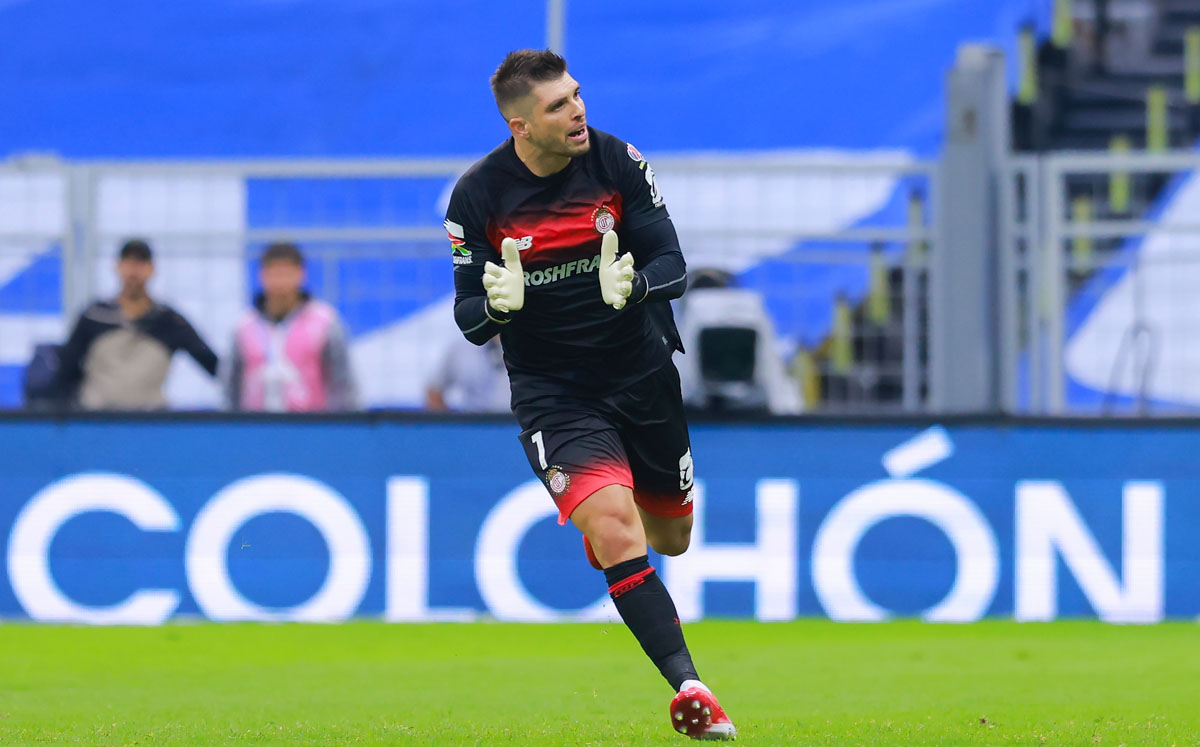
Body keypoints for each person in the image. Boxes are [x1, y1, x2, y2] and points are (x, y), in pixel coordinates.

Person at [446, 49, 736, 740]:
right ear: (521, 125)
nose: (576, 110)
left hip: (641, 377)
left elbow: (673, 262)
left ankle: (610, 521)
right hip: (556, 394)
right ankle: (693, 688)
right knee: (616, 529)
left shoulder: (617, 163)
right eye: (557, 105)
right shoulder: (478, 197)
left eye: (576, 95)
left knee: (672, 535)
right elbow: (466, 315)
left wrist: (634, 286)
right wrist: (497, 309)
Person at [55, 238, 218, 410]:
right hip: (98, 420)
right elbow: (66, 367)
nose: (133, 271)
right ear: (117, 267)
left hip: (149, 423)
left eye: (140, 263)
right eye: (128, 263)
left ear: (152, 269)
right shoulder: (95, 316)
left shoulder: (170, 321)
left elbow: (211, 362)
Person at [224, 242, 357, 412]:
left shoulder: (324, 322)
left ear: (301, 274)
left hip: (310, 427)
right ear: (261, 275)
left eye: (286, 273)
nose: (280, 282)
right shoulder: (244, 326)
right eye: (274, 273)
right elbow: (231, 385)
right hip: (256, 428)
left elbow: (343, 382)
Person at [424, 335, 510, 413]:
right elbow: (434, 392)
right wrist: (451, 427)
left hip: (516, 424)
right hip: (474, 425)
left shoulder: (522, 346)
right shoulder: (462, 349)